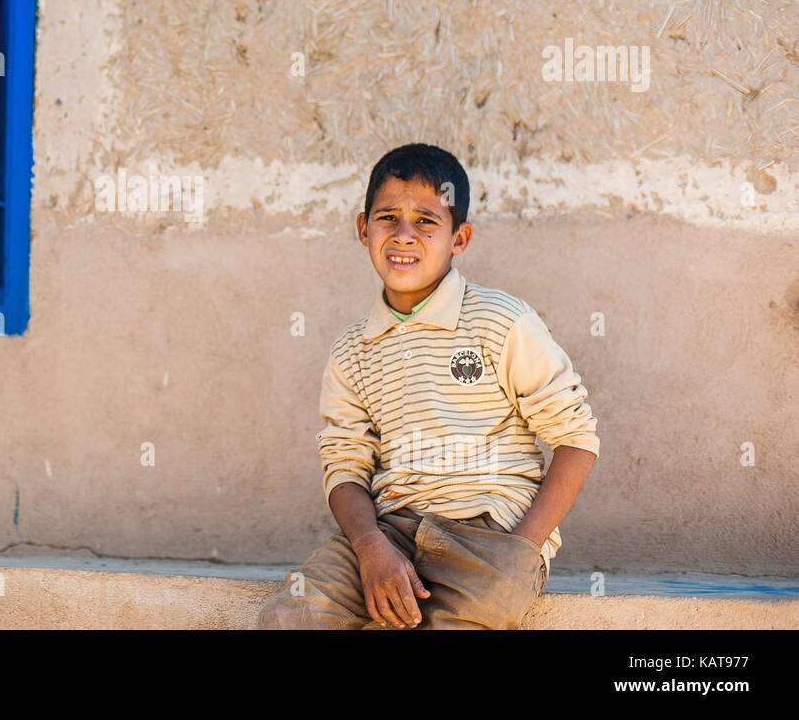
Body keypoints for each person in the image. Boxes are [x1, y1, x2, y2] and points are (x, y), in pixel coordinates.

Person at [257, 143, 600, 630]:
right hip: (390, 532)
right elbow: (345, 465)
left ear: (459, 238)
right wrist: (370, 545)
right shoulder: (353, 349)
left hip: (490, 535)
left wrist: (522, 549)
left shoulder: (501, 321)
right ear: (363, 228)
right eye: (388, 217)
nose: (403, 235)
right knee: (289, 616)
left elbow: (576, 438)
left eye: (425, 221)